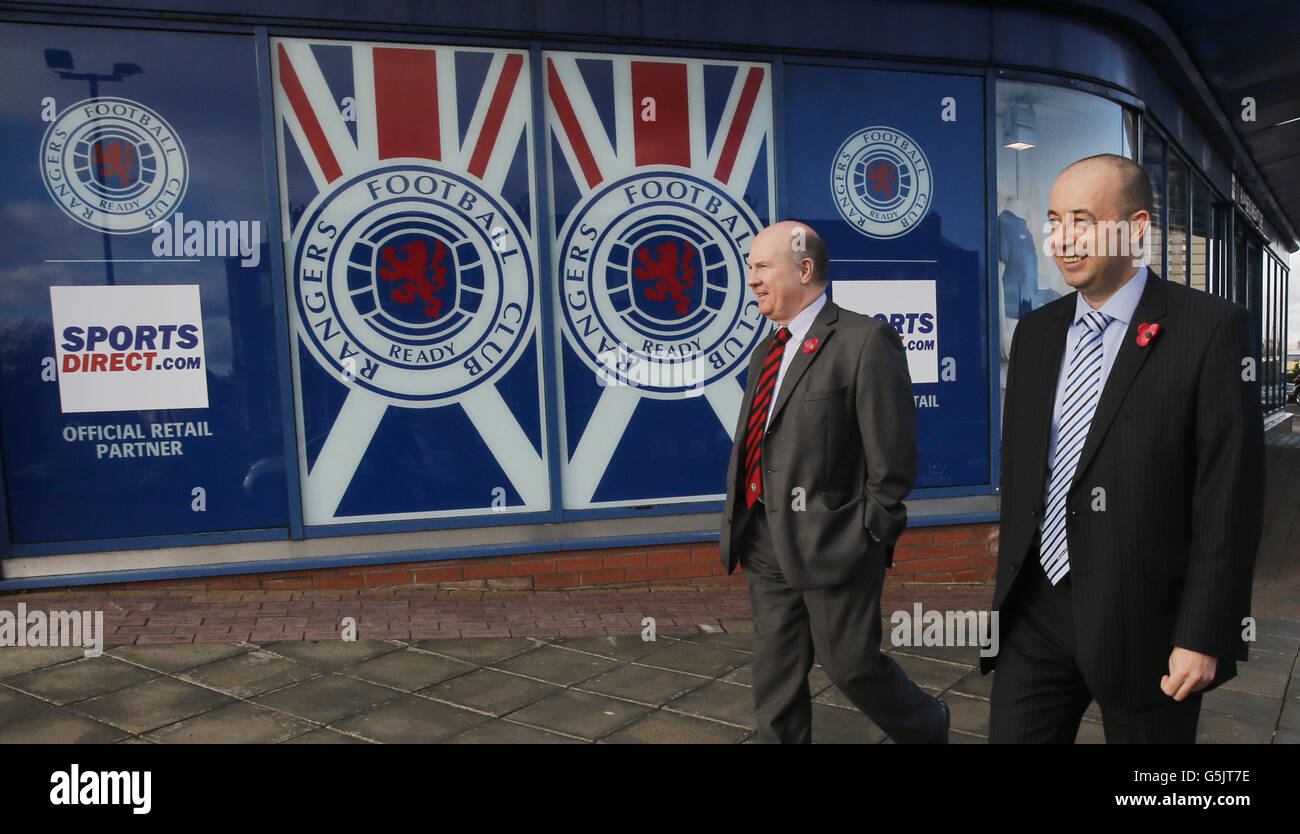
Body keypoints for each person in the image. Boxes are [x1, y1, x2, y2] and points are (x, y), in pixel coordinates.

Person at [985, 154, 1265, 743]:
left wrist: (1205, 633)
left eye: (1082, 220)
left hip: (1149, 626)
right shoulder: (1036, 334)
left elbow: (1228, 500)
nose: (1061, 238)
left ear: (1135, 228)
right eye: (1054, 219)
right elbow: (1028, 465)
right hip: (1035, 613)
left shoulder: (1210, 330)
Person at [718, 220, 949, 744]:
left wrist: (868, 533)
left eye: (762, 266)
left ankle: (927, 726)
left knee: (850, 667)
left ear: (804, 269)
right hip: (763, 537)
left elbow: (893, 459)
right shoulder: (765, 352)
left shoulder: (865, 340)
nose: (751, 277)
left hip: (835, 542)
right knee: (775, 678)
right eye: (750, 266)